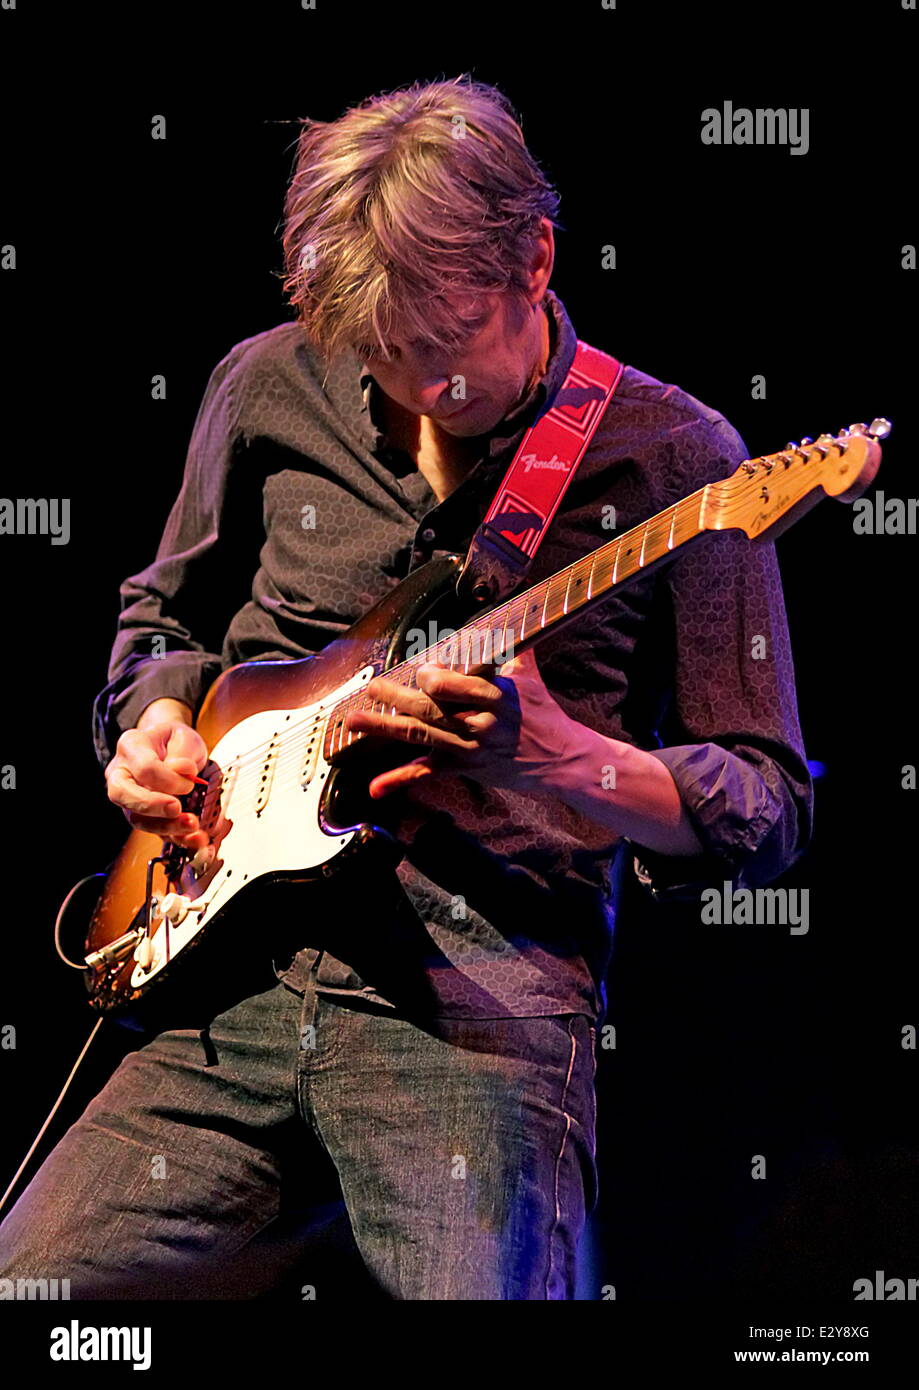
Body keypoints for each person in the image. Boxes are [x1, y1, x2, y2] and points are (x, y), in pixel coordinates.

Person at [0, 76, 813, 1300]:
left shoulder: (682, 462)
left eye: (440, 349)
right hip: (227, 979)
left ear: (535, 258)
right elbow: (159, 616)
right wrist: (152, 724)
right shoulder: (264, 382)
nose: (413, 391)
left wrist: (555, 757)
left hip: (476, 1019)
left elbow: (766, 808)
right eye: (374, 356)